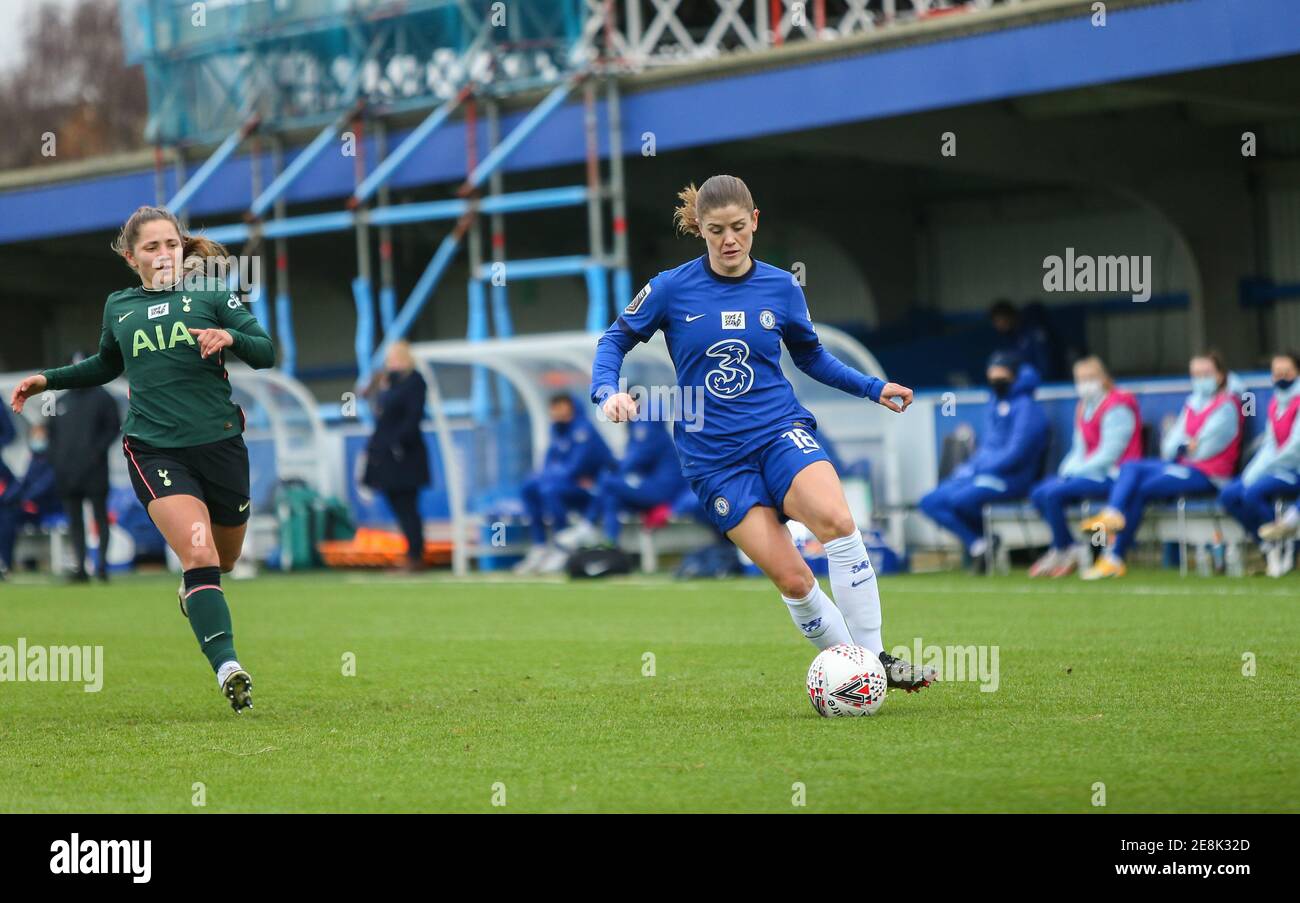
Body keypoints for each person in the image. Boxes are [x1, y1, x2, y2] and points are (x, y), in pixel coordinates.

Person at [591, 174, 934, 691]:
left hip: (778, 432)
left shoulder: (781, 285)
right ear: (700, 231)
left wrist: (872, 387)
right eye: (715, 231)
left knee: (838, 520)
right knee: (794, 579)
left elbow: (811, 355)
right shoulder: (670, 288)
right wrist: (607, 391)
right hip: (714, 461)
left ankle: (874, 661)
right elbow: (614, 339)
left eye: (736, 227)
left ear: (754, 221)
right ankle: (854, 667)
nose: (728, 240)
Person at [10, 205, 275, 712]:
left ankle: (194, 592)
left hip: (219, 445)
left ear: (182, 248)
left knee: (224, 559)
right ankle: (228, 666)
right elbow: (108, 364)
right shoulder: (120, 307)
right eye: (151, 248)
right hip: (154, 448)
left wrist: (231, 337)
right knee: (199, 557)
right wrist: (49, 378)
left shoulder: (213, 293)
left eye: (170, 245)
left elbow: (265, 351)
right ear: (132, 258)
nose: (163, 255)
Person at [1080, 351, 1243, 579]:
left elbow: (1205, 449)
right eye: (1195, 374)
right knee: (1130, 467)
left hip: (1209, 474)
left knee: (1140, 488)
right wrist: (1186, 445)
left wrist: (1184, 447)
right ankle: (1112, 517)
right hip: (1182, 466)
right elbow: (1171, 445)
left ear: (1220, 375)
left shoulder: (1229, 405)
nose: (1200, 378)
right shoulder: (1193, 403)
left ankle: (1112, 555)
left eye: (1206, 373)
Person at [918, 351, 1050, 572]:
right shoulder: (995, 401)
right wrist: (971, 467)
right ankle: (980, 544)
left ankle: (986, 544)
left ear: (1013, 374)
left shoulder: (1028, 408)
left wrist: (980, 468)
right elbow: (989, 446)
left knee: (961, 500)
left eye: (1001, 373)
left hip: (1012, 479)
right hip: (982, 474)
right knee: (930, 502)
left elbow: (1017, 454)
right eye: (992, 373)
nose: (995, 378)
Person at [1028, 356, 1142, 577]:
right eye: (1080, 379)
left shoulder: (1117, 406)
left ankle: (1065, 549)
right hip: (1090, 473)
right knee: (1038, 492)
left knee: (1053, 494)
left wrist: (1077, 471)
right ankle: (1067, 546)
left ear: (1103, 378)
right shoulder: (1083, 406)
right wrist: (1067, 470)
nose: (1085, 384)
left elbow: (1110, 452)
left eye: (1091, 378)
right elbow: (1079, 448)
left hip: (1114, 475)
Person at [513, 393, 614, 575]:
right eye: (552, 407)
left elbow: (576, 467)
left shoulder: (584, 431)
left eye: (558, 406)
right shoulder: (556, 430)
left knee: (549, 489)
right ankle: (540, 546)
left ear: (568, 408)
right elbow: (549, 463)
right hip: (566, 485)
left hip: (591, 491)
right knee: (529, 487)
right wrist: (546, 476)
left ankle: (562, 545)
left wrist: (551, 476)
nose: (554, 412)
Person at [555, 418, 687, 549]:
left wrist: (610, 470)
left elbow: (636, 460)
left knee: (607, 481)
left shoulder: (646, 426)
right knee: (612, 495)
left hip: (663, 490)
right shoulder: (636, 425)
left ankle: (588, 525)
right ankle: (610, 542)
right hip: (651, 486)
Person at [47, 358, 121, 582]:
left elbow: (113, 427)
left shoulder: (102, 397)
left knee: (100, 516)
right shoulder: (60, 400)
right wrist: (56, 459)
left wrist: (96, 451)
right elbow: (51, 434)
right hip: (67, 471)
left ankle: (102, 565)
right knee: (74, 519)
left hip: (94, 470)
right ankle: (80, 566)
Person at [362, 341, 431, 573]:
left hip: (404, 457)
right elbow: (375, 409)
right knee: (397, 504)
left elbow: (412, 418)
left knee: (407, 505)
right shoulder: (386, 383)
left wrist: (396, 444)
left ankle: (415, 555)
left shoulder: (414, 382)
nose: (391, 363)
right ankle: (412, 552)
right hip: (387, 456)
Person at [1218, 352, 1300, 545]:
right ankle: (1266, 545)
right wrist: (1254, 471)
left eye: (1287, 373)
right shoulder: (1275, 404)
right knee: (1229, 494)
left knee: (1251, 492)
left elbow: (1295, 447)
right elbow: (1270, 445)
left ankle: (1287, 544)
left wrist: (1265, 469)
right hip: (1277, 468)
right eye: (1277, 373)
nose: (1281, 378)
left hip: (1293, 470)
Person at [0, 425, 62, 579]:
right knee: (5, 514)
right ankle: (5, 562)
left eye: (40, 436)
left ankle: (6, 563)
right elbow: (22, 483)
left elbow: (44, 485)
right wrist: (8, 498)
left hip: (46, 507)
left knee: (8, 519)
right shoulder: (31, 459)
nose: (38, 440)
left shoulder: (54, 459)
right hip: (29, 506)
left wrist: (23, 499)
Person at [989, 299, 1051, 380]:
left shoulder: (1033, 332)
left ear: (1010, 316)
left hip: (1044, 383)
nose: (998, 325)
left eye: (999, 320)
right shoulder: (1008, 338)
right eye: (995, 322)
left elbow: (1045, 366)